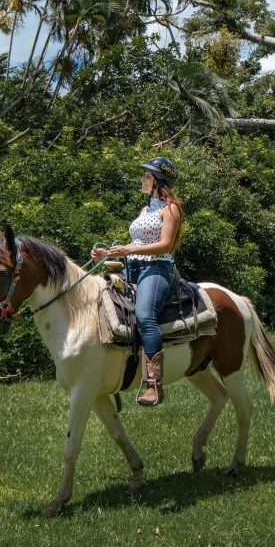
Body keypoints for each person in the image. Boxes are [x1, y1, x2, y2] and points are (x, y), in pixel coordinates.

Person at [91, 156, 182, 406]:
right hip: (134, 268)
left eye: (147, 176)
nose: (142, 179)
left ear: (159, 182)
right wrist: (109, 254)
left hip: (158, 269)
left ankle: (154, 385)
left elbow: (165, 244)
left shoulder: (170, 209)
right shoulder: (146, 209)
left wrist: (128, 252)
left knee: (144, 316)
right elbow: (137, 243)